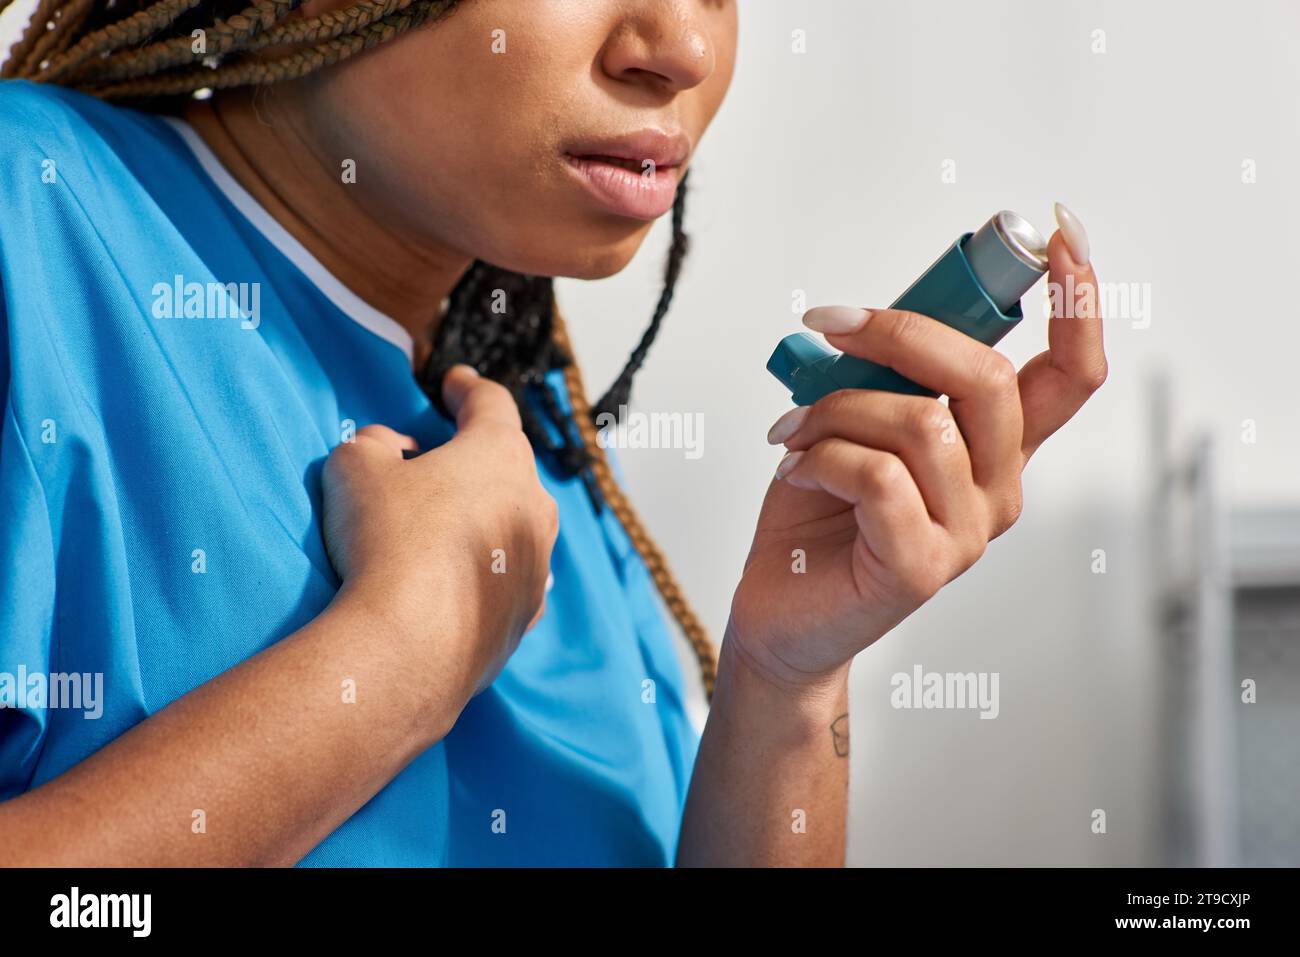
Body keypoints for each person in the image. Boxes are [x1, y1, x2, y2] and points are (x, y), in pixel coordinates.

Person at [0, 0, 1106, 866]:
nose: (676, 45)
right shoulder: (29, 217)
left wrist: (787, 683)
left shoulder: (524, 430)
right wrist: (396, 662)